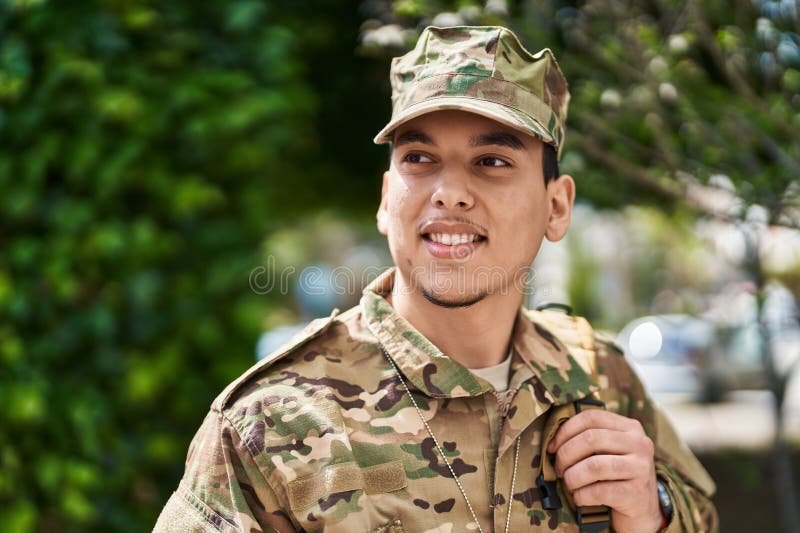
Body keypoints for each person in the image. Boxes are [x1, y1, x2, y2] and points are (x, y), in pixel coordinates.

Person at [154, 26, 718, 532]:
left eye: (492, 161)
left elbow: (701, 514)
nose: (449, 192)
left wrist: (653, 512)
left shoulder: (598, 380)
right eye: (420, 158)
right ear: (385, 200)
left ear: (557, 207)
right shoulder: (272, 424)